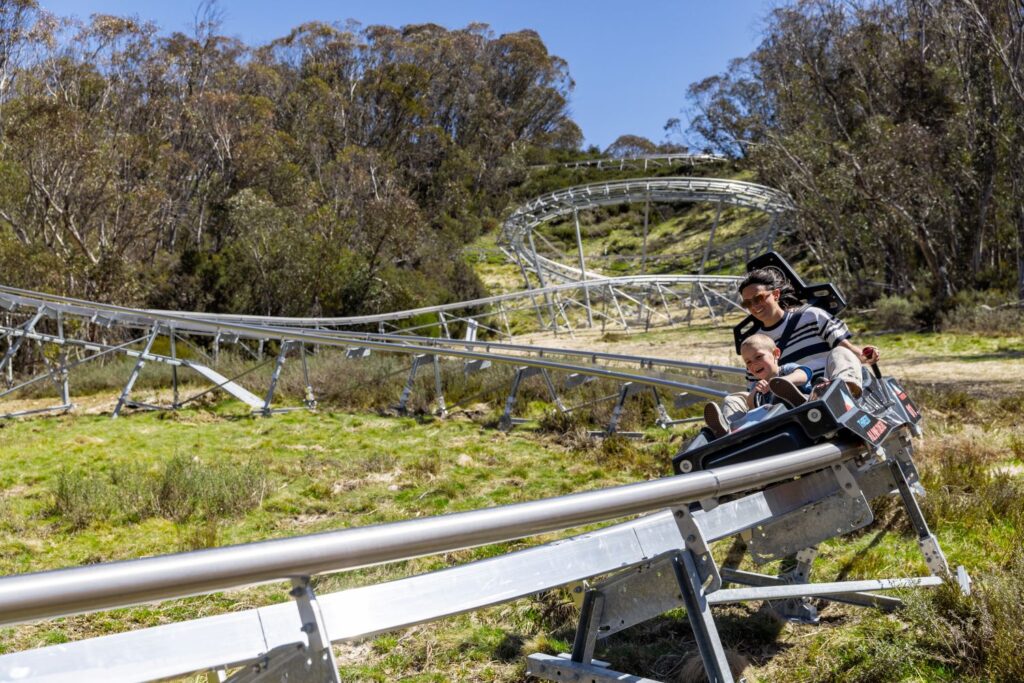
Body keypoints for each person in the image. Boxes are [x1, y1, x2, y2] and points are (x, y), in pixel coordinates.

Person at [703, 266, 880, 437]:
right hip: (779, 399)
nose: (755, 306)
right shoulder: (753, 344)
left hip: (823, 385)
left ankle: (840, 399)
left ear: (776, 294)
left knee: (841, 353)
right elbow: (753, 387)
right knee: (734, 399)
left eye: (759, 298)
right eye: (748, 303)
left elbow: (849, 351)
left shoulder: (811, 316)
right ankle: (732, 434)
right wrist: (757, 393)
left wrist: (865, 355)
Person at [703, 333, 812, 437]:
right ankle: (727, 432)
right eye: (748, 362)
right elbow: (752, 407)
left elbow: (804, 374)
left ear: (776, 354)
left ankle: (797, 403)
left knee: (782, 397)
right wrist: (755, 392)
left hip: (800, 410)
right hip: (770, 423)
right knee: (736, 402)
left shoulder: (785, 370)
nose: (753, 364)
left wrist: (781, 382)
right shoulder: (757, 385)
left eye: (758, 357)